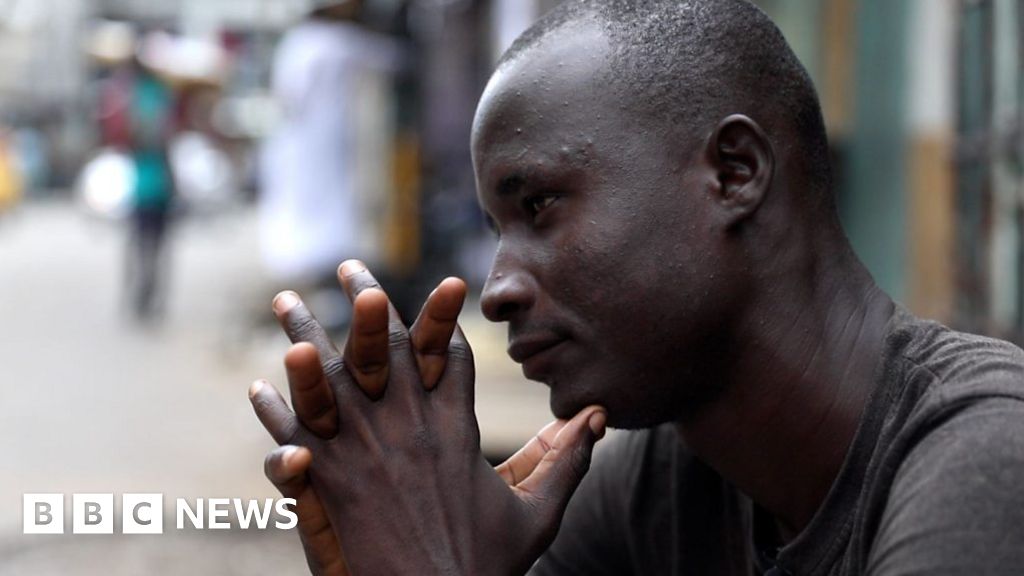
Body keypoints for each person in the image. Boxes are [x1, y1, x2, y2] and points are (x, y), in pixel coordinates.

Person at [248, 1, 1024, 574]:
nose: (498, 290)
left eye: (540, 206)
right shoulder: (661, 481)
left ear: (733, 173)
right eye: (495, 229)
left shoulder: (985, 464)